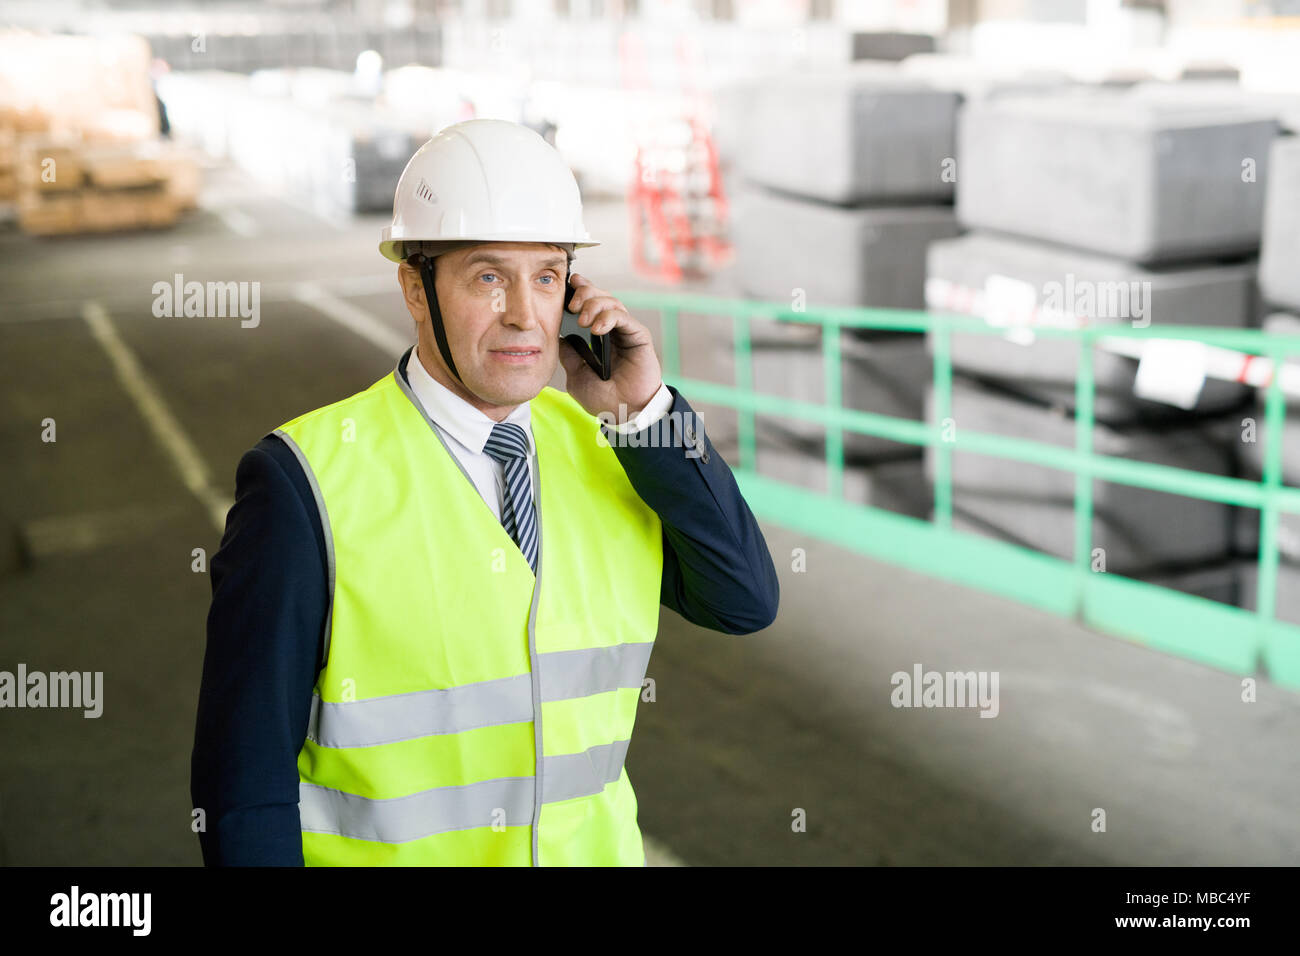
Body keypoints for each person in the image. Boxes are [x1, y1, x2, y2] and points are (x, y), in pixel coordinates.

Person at [191, 118, 779, 866]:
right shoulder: (305, 484)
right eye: (488, 277)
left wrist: (648, 412)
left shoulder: (616, 445)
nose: (524, 315)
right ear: (415, 286)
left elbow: (744, 600)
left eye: (546, 276)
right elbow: (243, 790)